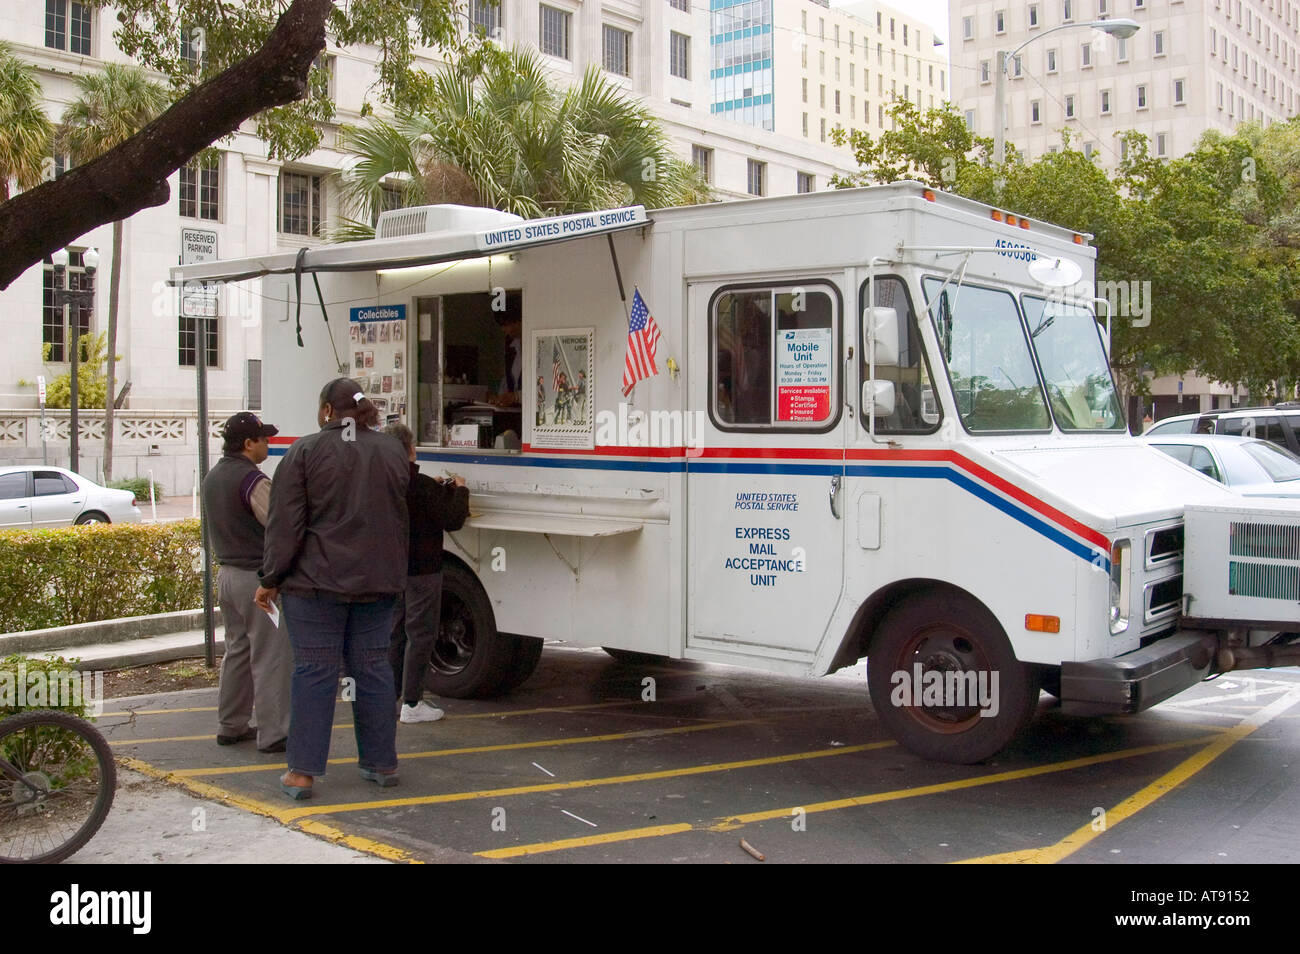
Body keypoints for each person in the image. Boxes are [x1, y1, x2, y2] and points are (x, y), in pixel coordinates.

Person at [255, 379, 410, 800]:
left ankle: (302, 774)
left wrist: (270, 578)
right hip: (379, 584)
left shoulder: (304, 452)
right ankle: (382, 764)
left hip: (316, 585)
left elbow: (285, 526)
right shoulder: (392, 450)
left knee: (315, 671)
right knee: (374, 669)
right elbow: (400, 518)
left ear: (327, 411)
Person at [203, 412, 290, 754]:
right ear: (248, 444)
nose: (268, 444)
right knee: (270, 655)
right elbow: (279, 525)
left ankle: (231, 724)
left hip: (226, 575)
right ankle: (274, 733)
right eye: (263, 439)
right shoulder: (253, 481)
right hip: (256, 580)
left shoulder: (212, 478)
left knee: (236, 651)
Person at [383, 423, 470, 724]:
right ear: (409, 449)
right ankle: (412, 702)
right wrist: (460, 489)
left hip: (392, 569)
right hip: (423, 570)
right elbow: (453, 519)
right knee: (420, 635)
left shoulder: (382, 483)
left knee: (395, 633)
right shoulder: (421, 485)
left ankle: (389, 697)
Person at [489, 315, 522, 407]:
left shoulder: (537, 345)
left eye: (506, 324)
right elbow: (508, 379)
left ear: (519, 322)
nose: (503, 329)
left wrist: (516, 396)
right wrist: (499, 398)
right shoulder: (511, 347)